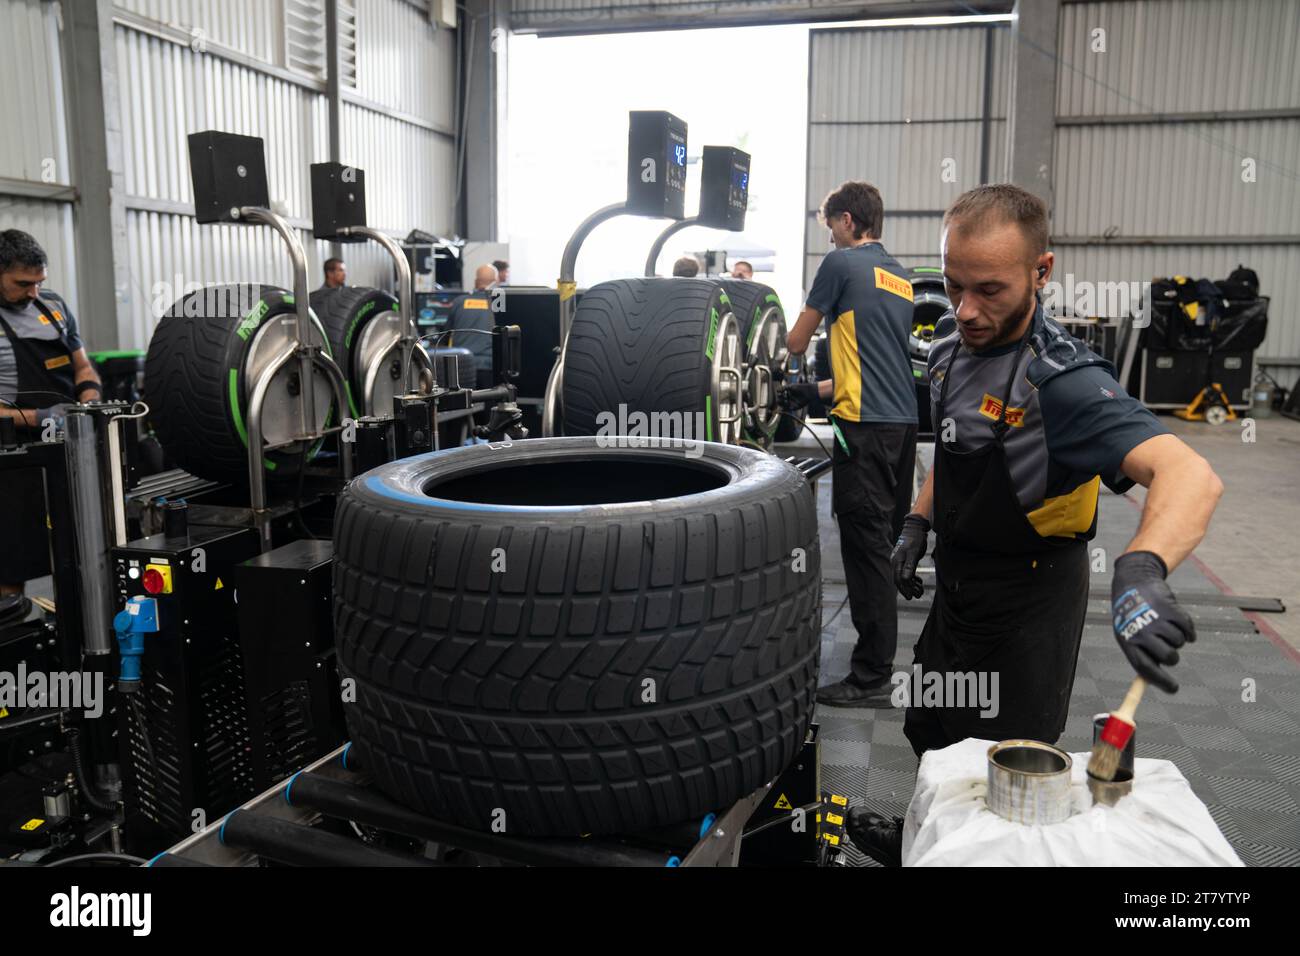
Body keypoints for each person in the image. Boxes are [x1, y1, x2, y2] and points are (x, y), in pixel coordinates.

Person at [849, 184, 1224, 865]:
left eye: (989, 290)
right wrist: (916, 523)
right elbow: (955, 446)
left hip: (1029, 607)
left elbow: (1191, 475)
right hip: (958, 598)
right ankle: (920, 841)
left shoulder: (1064, 384)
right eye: (954, 285)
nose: (965, 310)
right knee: (931, 731)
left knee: (1009, 778)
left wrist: (1142, 570)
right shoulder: (946, 350)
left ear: (1041, 273)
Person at [783, 181, 919, 707]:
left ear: (845, 220)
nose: (831, 238)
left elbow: (795, 340)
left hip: (860, 429)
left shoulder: (840, 266)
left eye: (830, 228)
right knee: (880, 544)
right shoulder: (901, 278)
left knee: (864, 552)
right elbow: (866, 366)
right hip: (900, 427)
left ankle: (870, 677)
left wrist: (788, 370)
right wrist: (809, 392)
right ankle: (877, 659)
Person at [0, 229, 102, 594]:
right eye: (23, 283)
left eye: (39, 282)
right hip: (12, 459)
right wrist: (40, 418)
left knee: (77, 551)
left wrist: (88, 400)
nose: (33, 293)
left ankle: (75, 637)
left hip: (68, 446)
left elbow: (83, 367)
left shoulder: (54, 306)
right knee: (12, 558)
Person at [445, 264, 499, 389]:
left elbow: (445, 334)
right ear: (496, 283)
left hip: (461, 368)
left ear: (476, 282)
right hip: (488, 368)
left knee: (463, 406)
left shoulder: (459, 302)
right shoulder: (498, 306)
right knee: (488, 405)